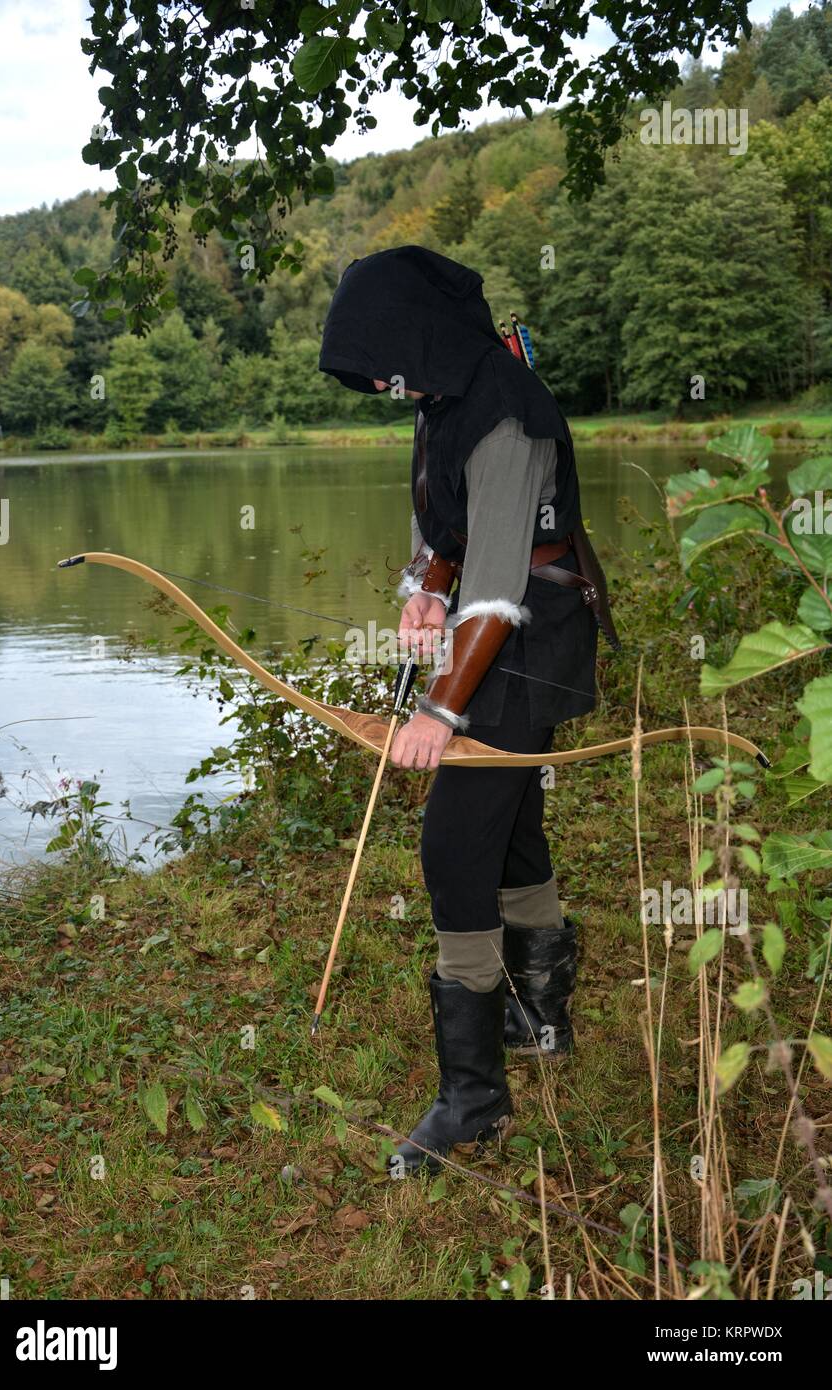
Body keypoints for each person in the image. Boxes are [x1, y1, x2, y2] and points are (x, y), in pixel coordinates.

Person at [319, 245, 607, 1174]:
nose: (378, 382)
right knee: (511, 826)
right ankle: (540, 1019)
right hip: (496, 637)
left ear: (416, 334)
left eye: (380, 362)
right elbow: (453, 536)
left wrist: (438, 714)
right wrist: (426, 592)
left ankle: (475, 1098)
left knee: (452, 845)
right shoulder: (443, 398)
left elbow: (499, 586)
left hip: (530, 647)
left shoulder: (507, 413)